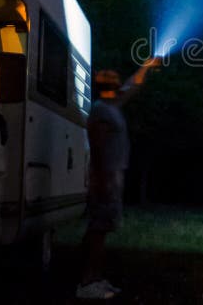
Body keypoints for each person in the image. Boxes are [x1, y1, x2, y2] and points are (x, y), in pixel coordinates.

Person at [76, 58, 159, 299]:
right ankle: (86, 283)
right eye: (113, 78)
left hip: (111, 177)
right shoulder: (102, 110)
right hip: (106, 178)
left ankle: (96, 279)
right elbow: (98, 146)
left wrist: (147, 66)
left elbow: (134, 85)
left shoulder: (111, 105)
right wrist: (101, 180)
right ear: (107, 86)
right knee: (98, 231)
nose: (118, 81)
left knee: (102, 229)